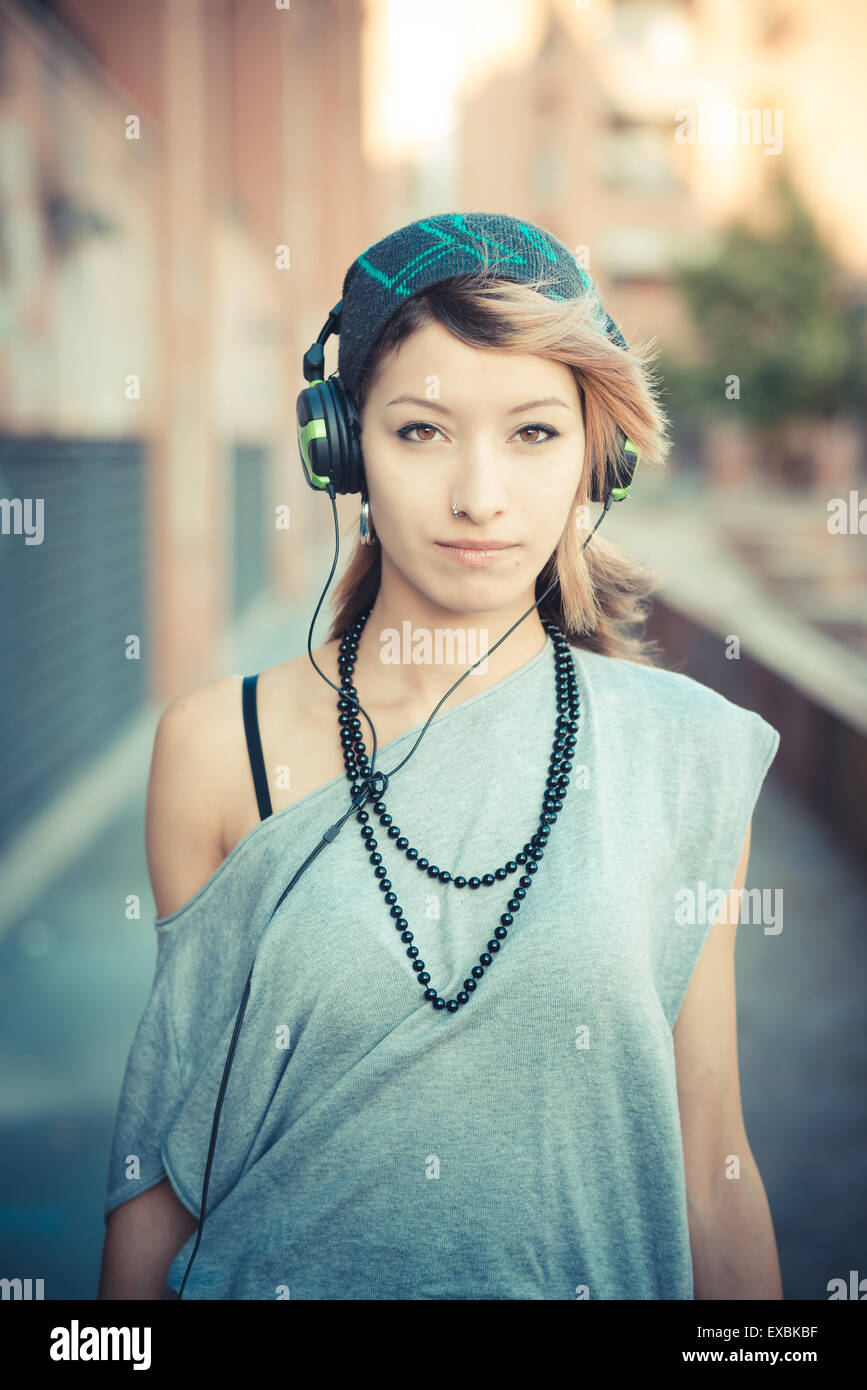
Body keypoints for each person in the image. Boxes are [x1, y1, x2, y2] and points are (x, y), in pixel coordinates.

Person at [98, 212, 782, 1301]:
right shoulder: (218, 748)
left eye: (533, 433)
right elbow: (164, 1169)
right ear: (341, 445)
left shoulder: (687, 754)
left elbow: (713, 1170)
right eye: (421, 431)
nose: (480, 496)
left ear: (598, 458)